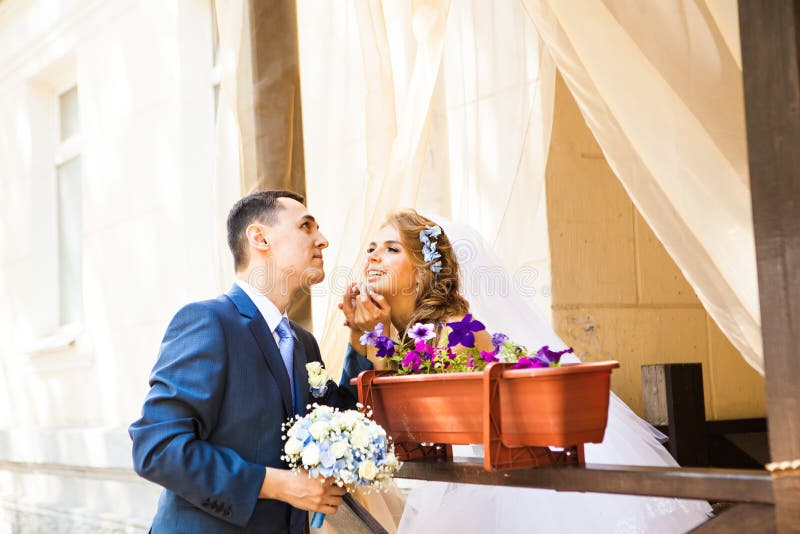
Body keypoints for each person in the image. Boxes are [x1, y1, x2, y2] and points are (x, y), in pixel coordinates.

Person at [338, 209, 713, 533]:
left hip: (514, 477)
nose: (373, 256)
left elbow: (421, 418)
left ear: (423, 272)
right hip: (463, 476)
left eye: (391, 249)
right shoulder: (396, 331)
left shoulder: (455, 329)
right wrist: (365, 335)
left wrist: (375, 338)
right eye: (371, 248)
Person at [129, 190, 355, 533]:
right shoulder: (208, 322)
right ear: (260, 238)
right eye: (306, 227)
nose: (322, 240)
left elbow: (345, 427)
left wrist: (363, 338)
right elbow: (157, 448)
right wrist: (278, 485)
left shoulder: (303, 343)